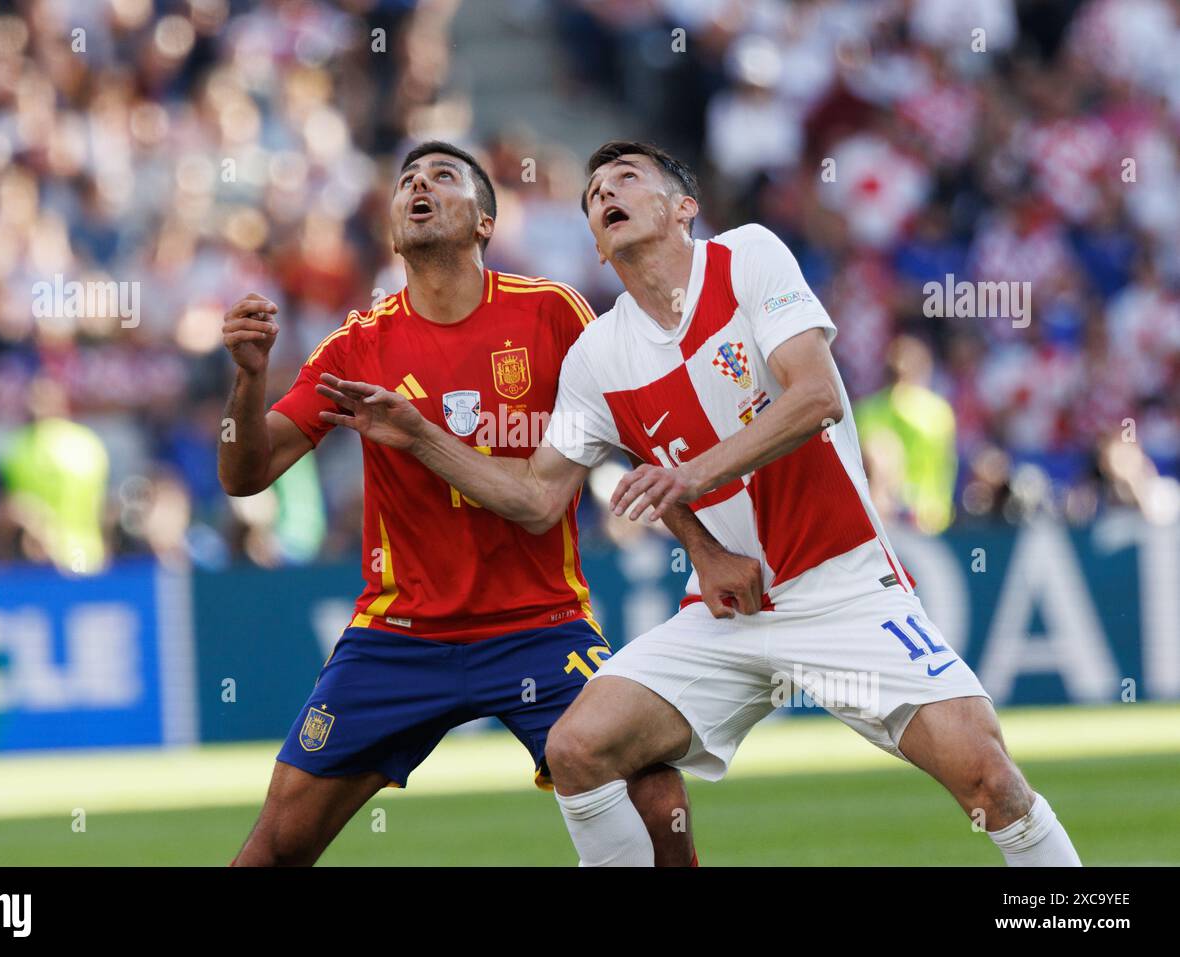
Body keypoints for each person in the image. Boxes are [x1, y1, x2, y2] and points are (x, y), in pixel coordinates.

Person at [314, 141, 1082, 867]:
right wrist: (420, 437)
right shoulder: (597, 355)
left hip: (839, 586)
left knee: (988, 778)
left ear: (684, 207)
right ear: (594, 241)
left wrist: (692, 476)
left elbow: (814, 397)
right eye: (592, 195)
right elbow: (537, 495)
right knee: (577, 748)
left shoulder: (747, 256)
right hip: (727, 610)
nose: (606, 193)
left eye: (626, 180)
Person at [219, 141, 756, 866]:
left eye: (443, 177)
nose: (419, 185)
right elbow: (247, 473)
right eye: (408, 179)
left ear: (483, 222)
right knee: (277, 844)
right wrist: (249, 383)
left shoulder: (551, 314)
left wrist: (707, 549)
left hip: (540, 623)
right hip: (399, 635)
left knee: (657, 800)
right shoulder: (358, 344)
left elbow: (635, 436)